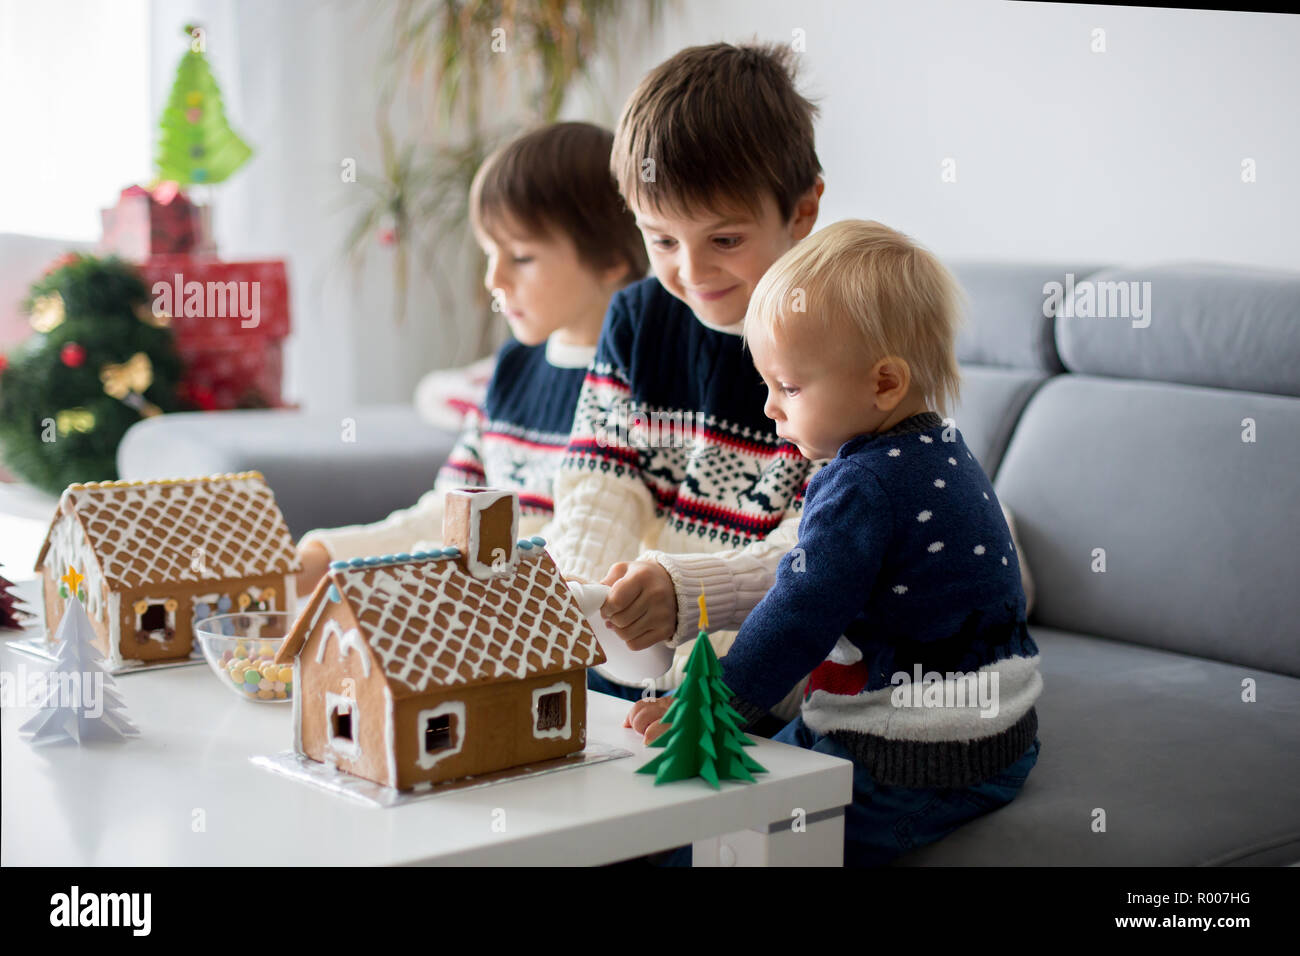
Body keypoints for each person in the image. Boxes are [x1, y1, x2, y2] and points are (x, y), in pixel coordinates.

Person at [627, 220, 1044, 866]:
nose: (770, 408)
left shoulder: (862, 486)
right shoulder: (942, 448)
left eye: (789, 388)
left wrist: (711, 710)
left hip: (911, 754)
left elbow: (800, 614)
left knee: (725, 837)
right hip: (1003, 737)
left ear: (884, 384)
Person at [546, 42, 826, 722]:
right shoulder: (638, 318)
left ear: (801, 212)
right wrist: (573, 611)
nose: (692, 271)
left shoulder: (834, 334)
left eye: (724, 240)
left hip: (762, 661)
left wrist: (692, 622)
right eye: (663, 240)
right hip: (639, 642)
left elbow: (817, 557)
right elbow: (599, 488)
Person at [294, 122, 647, 592]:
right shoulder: (514, 367)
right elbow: (449, 513)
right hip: (489, 611)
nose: (493, 279)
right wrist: (330, 556)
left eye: (521, 257)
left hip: (569, 626)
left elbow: (605, 545)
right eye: (488, 253)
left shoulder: (645, 377)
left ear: (611, 258)